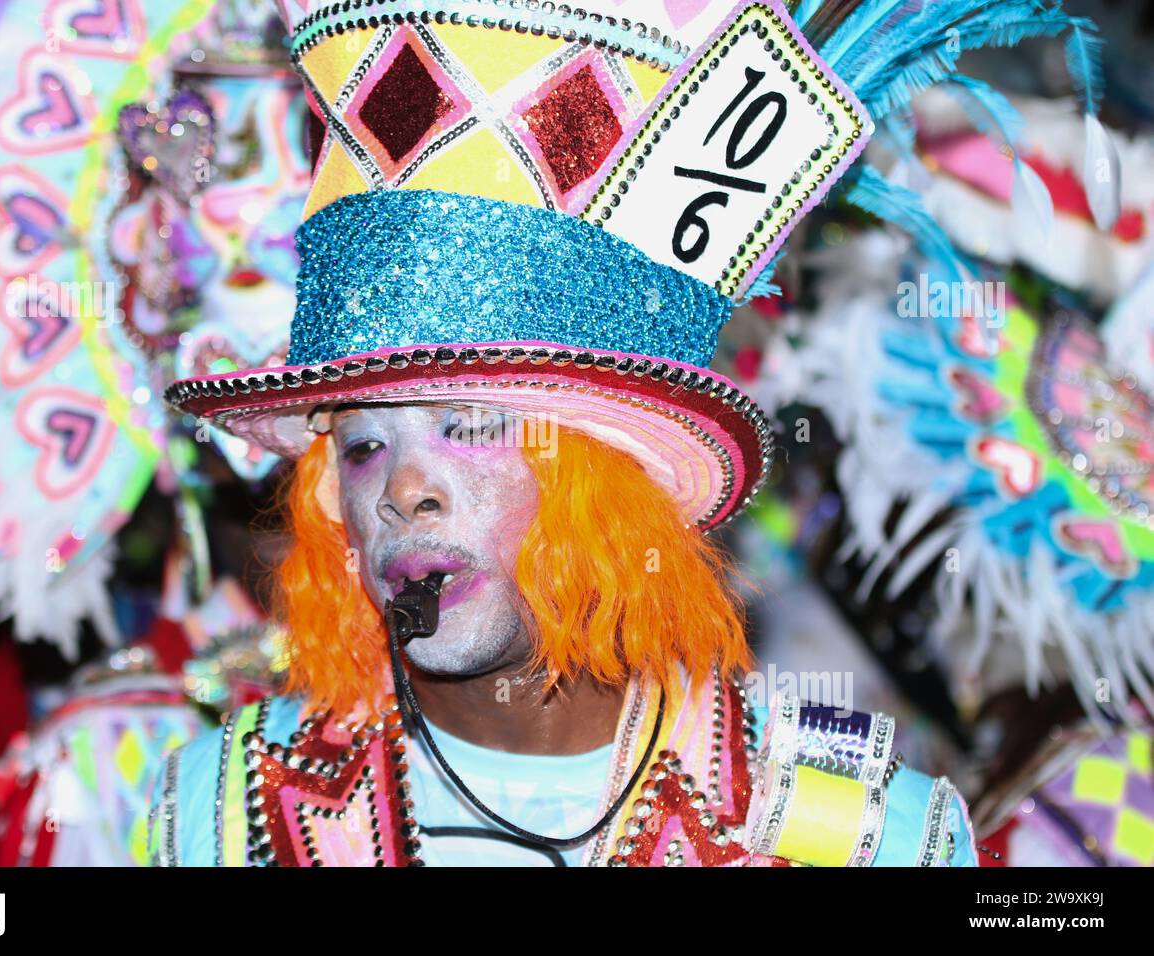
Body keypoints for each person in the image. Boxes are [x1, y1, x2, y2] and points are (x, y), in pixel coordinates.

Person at [147, 0, 1104, 866]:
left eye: (469, 424)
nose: (404, 488)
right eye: (362, 446)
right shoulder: (224, 816)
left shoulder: (854, 833)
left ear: (608, 476)